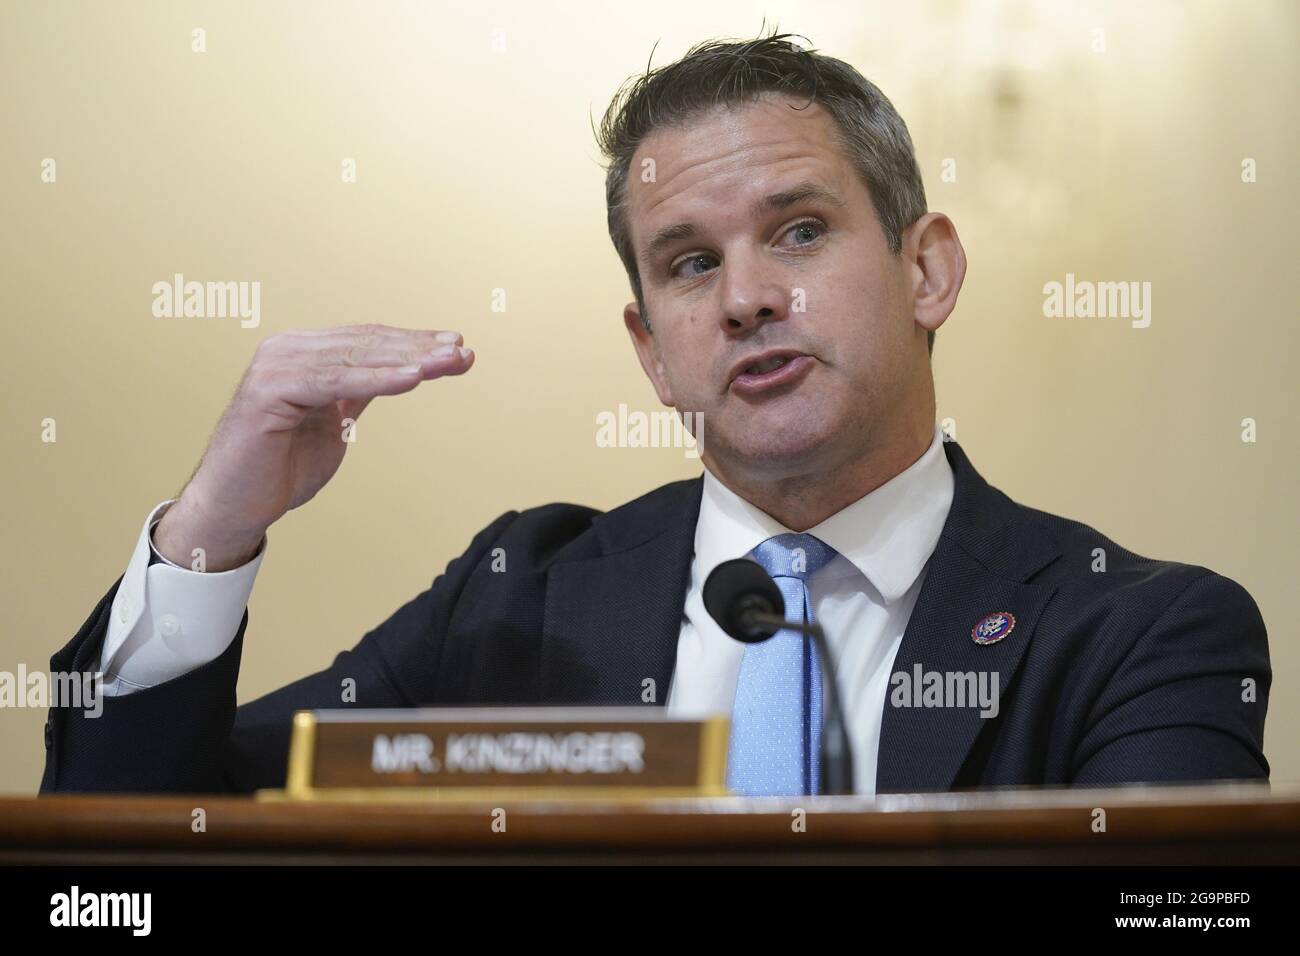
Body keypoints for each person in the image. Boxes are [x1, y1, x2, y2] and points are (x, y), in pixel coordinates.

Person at [40, 34, 1270, 797]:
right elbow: (127, 869)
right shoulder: (518, 598)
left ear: (926, 268)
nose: (743, 298)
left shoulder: (1137, 629)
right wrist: (213, 524)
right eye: (686, 263)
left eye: (798, 230)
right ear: (651, 353)